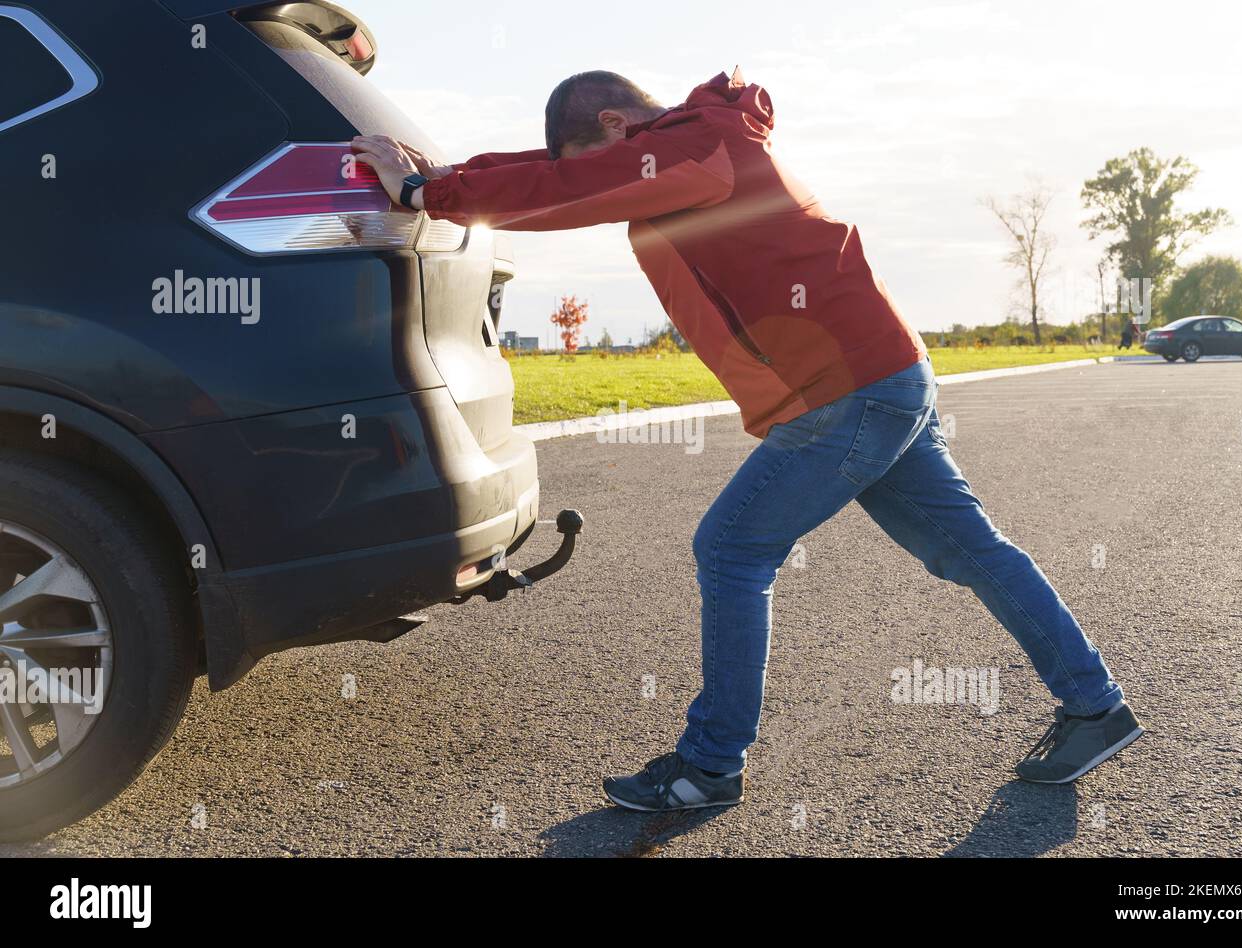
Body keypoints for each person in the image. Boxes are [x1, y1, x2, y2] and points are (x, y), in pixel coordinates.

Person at [352, 69, 1143, 812]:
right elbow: (555, 169)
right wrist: (451, 173)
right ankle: (1096, 706)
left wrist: (430, 192)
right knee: (973, 550)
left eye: (600, 156)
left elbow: (568, 184)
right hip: (879, 376)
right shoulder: (697, 143)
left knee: (732, 550)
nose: (611, 180)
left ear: (617, 124)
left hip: (848, 392)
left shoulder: (698, 148)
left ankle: (709, 768)